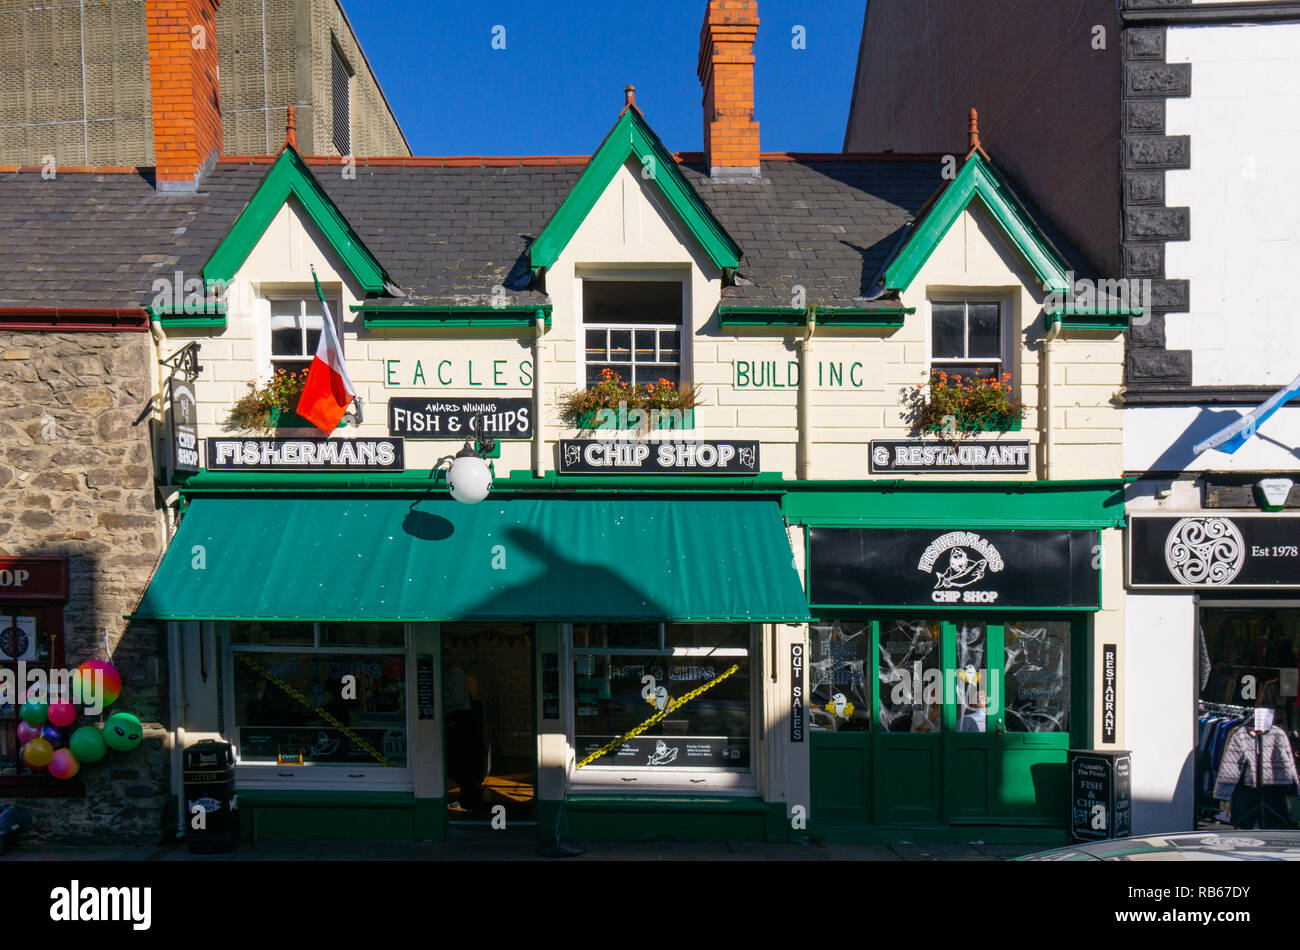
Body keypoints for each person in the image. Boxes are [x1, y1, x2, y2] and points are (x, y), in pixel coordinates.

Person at [443, 648, 484, 812]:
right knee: (458, 763)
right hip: (456, 720)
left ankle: (470, 798)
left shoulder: (457, 674)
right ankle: (469, 796)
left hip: (460, 720)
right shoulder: (448, 674)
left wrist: (439, 701)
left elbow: (458, 699)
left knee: (461, 762)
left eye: (445, 657)